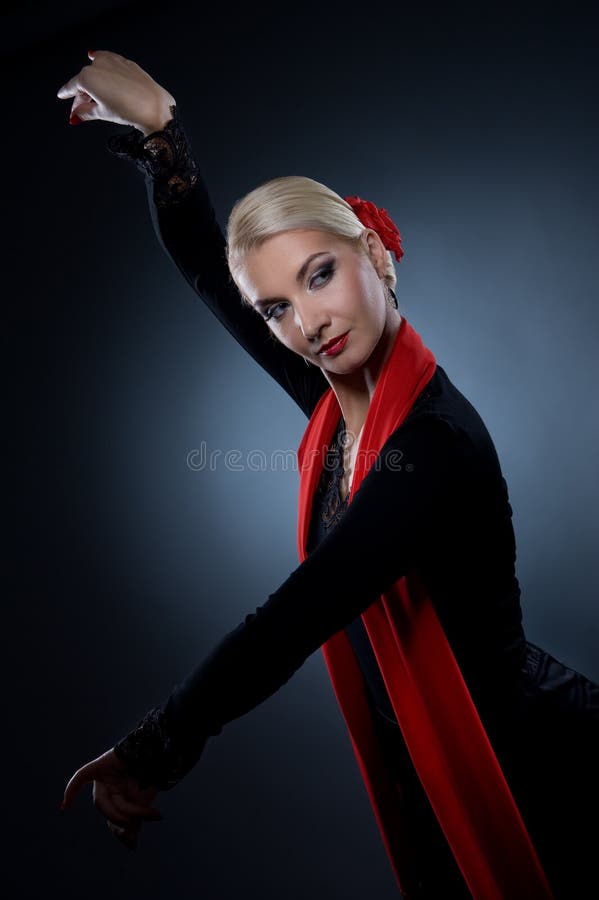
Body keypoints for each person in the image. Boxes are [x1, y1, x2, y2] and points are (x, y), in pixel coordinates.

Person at [56, 50, 598, 898]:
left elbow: (299, 613)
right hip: (436, 749)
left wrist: (154, 746)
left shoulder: (431, 443)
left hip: (532, 761)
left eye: (320, 276)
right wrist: (161, 132)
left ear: (372, 253)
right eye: (277, 307)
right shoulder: (338, 399)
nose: (307, 323)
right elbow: (206, 267)